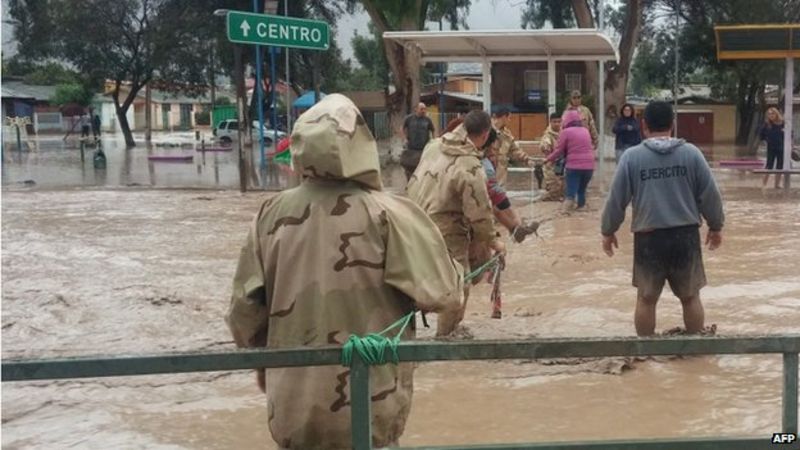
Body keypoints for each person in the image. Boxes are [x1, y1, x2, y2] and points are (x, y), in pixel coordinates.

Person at [225, 94, 464, 449]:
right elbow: (446, 295)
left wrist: (264, 367)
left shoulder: (269, 214)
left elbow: (243, 313)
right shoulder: (391, 214)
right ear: (360, 147)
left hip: (292, 407)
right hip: (372, 405)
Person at [601, 101, 724, 337]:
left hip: (648, 237)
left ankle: (645, 355)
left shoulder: (631, 158)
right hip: (685, 235)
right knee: (690, 297)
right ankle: (695, 353)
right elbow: (710, 194)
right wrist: (715, 226)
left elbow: (616, 199)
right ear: (673, 124)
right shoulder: (692, 154)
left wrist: (608, 231)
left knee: (646, 299)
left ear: (643, 125)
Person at [407, 110, 505, 323]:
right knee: (458, 287)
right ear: (485, 134)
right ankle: (447, 340)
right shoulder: (470, 165)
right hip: (446, 228)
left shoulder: (433, 146)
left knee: (418, 279)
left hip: (412, 220)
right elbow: (479, 214)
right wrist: (494, 241)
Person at [546, 109, 595, 210]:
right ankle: (581, 208)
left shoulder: (565, 132)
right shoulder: (585, 130)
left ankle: (564, 215)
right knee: (581, 190)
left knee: (570, 193)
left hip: (574, 167)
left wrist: (548, 159)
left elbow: (558, 150)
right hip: (589, 167)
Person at [492, 107, 531, 186]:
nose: (509, 121)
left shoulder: (507, 135)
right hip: (486, 170)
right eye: (509, 118)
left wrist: (524, 157)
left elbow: (514, 150)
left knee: (499, 194)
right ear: (504, 117)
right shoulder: (485, 130)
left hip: (500, 174)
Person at [400, 102, 435, 180]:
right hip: (411, 149)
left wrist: (433, 140)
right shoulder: (409, 118)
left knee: (423, 170)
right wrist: (404, 138)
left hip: (424, 149)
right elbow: (402, 128)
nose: (424, 111)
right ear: (416, 109)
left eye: (425, 109)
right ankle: (409, 185)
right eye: (422, 109)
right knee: (409, 169)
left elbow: (433, 130)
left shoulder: (427, 120)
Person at [538, 112, 565, 201]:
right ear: (550, 122)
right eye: (554, 122)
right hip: (552, 165)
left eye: (559, 121)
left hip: (564, 164)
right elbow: (544, 146)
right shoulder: (548, 135)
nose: (557, 124)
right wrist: (546, 148)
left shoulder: (565, 133)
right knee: (554, 191)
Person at [759, 106, 785, 190]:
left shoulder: (782, 123)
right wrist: (766, 140)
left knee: (780, 166)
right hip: (771, 148)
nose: (771, 116)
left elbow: (789, 134)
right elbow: (761, 135)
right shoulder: (767, 124)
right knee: (769, 166)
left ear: (776, 114)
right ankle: (764, 184)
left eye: (772, 113)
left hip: (781, 147)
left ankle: (777, 185)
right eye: (769, 114)